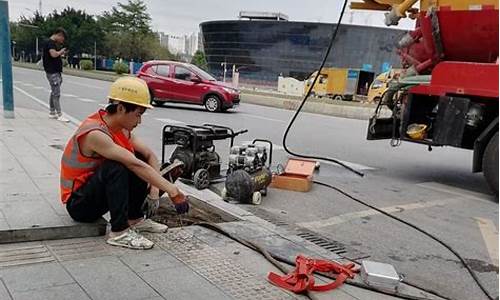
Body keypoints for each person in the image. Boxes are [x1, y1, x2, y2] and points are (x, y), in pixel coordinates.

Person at [60, 76, 189, 250]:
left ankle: (134, 219)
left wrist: (154, 189)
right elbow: (134, 165)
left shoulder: (121, 129)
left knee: (138, 159)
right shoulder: (95, 133)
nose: (139, 121)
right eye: (137, 115)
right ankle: (119, 232)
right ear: (121, 108)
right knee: (118, 165)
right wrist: (173, 191)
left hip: (95, 195)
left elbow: (149, 155)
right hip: (79, 205)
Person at [43, 27, 69, 122]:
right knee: (56, 93)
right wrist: (61, 51)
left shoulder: (53, 43)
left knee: (54, 92)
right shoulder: (50, 43)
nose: (62, 41)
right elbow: (53, 54)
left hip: (56, 71)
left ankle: (52, 112)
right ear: (59, 35)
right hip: (52, 72)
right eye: (62, 38)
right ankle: (59, 114)